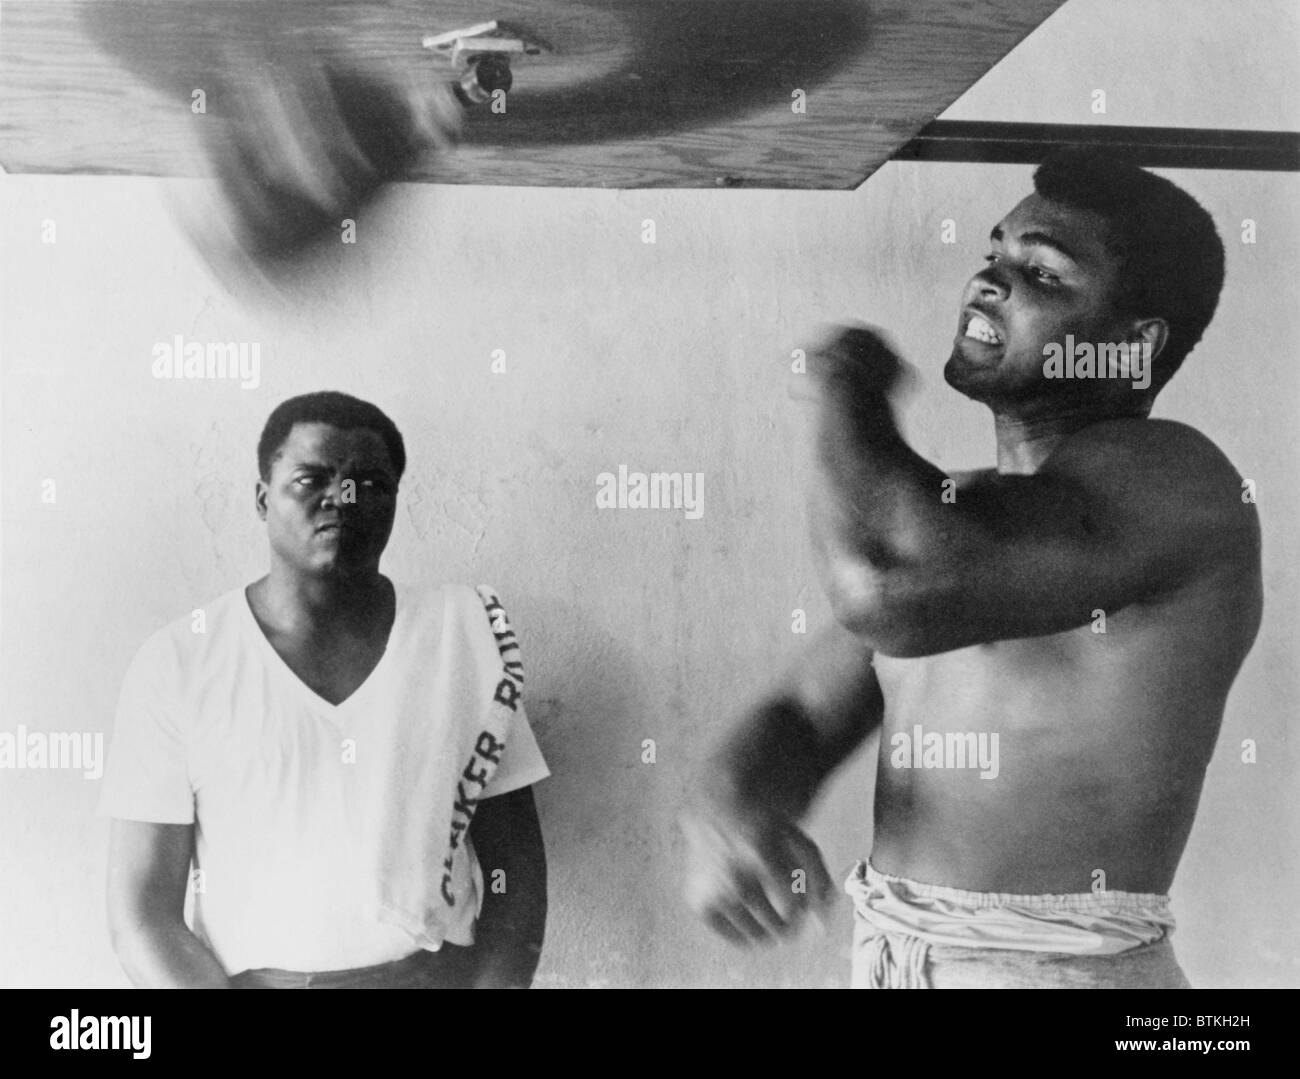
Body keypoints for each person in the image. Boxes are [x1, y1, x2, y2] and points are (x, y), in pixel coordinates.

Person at [681, 149, 1262, 989]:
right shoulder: (960, 516)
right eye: (994, 254)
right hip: (894, 956)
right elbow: (804, 710)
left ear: (1134, 350)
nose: (990, 281)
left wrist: (848, 375)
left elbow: (881, 582)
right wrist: (725, 798)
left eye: (1043, 273)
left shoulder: (1181, 482)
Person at [101, 391, 548, 988]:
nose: (343, 499)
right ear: (262, 498)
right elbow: (141, 915)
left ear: (394, 503)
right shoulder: (179, 662)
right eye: (311, 478)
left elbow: (515, 878)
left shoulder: (460, 638)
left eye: (370, 483)